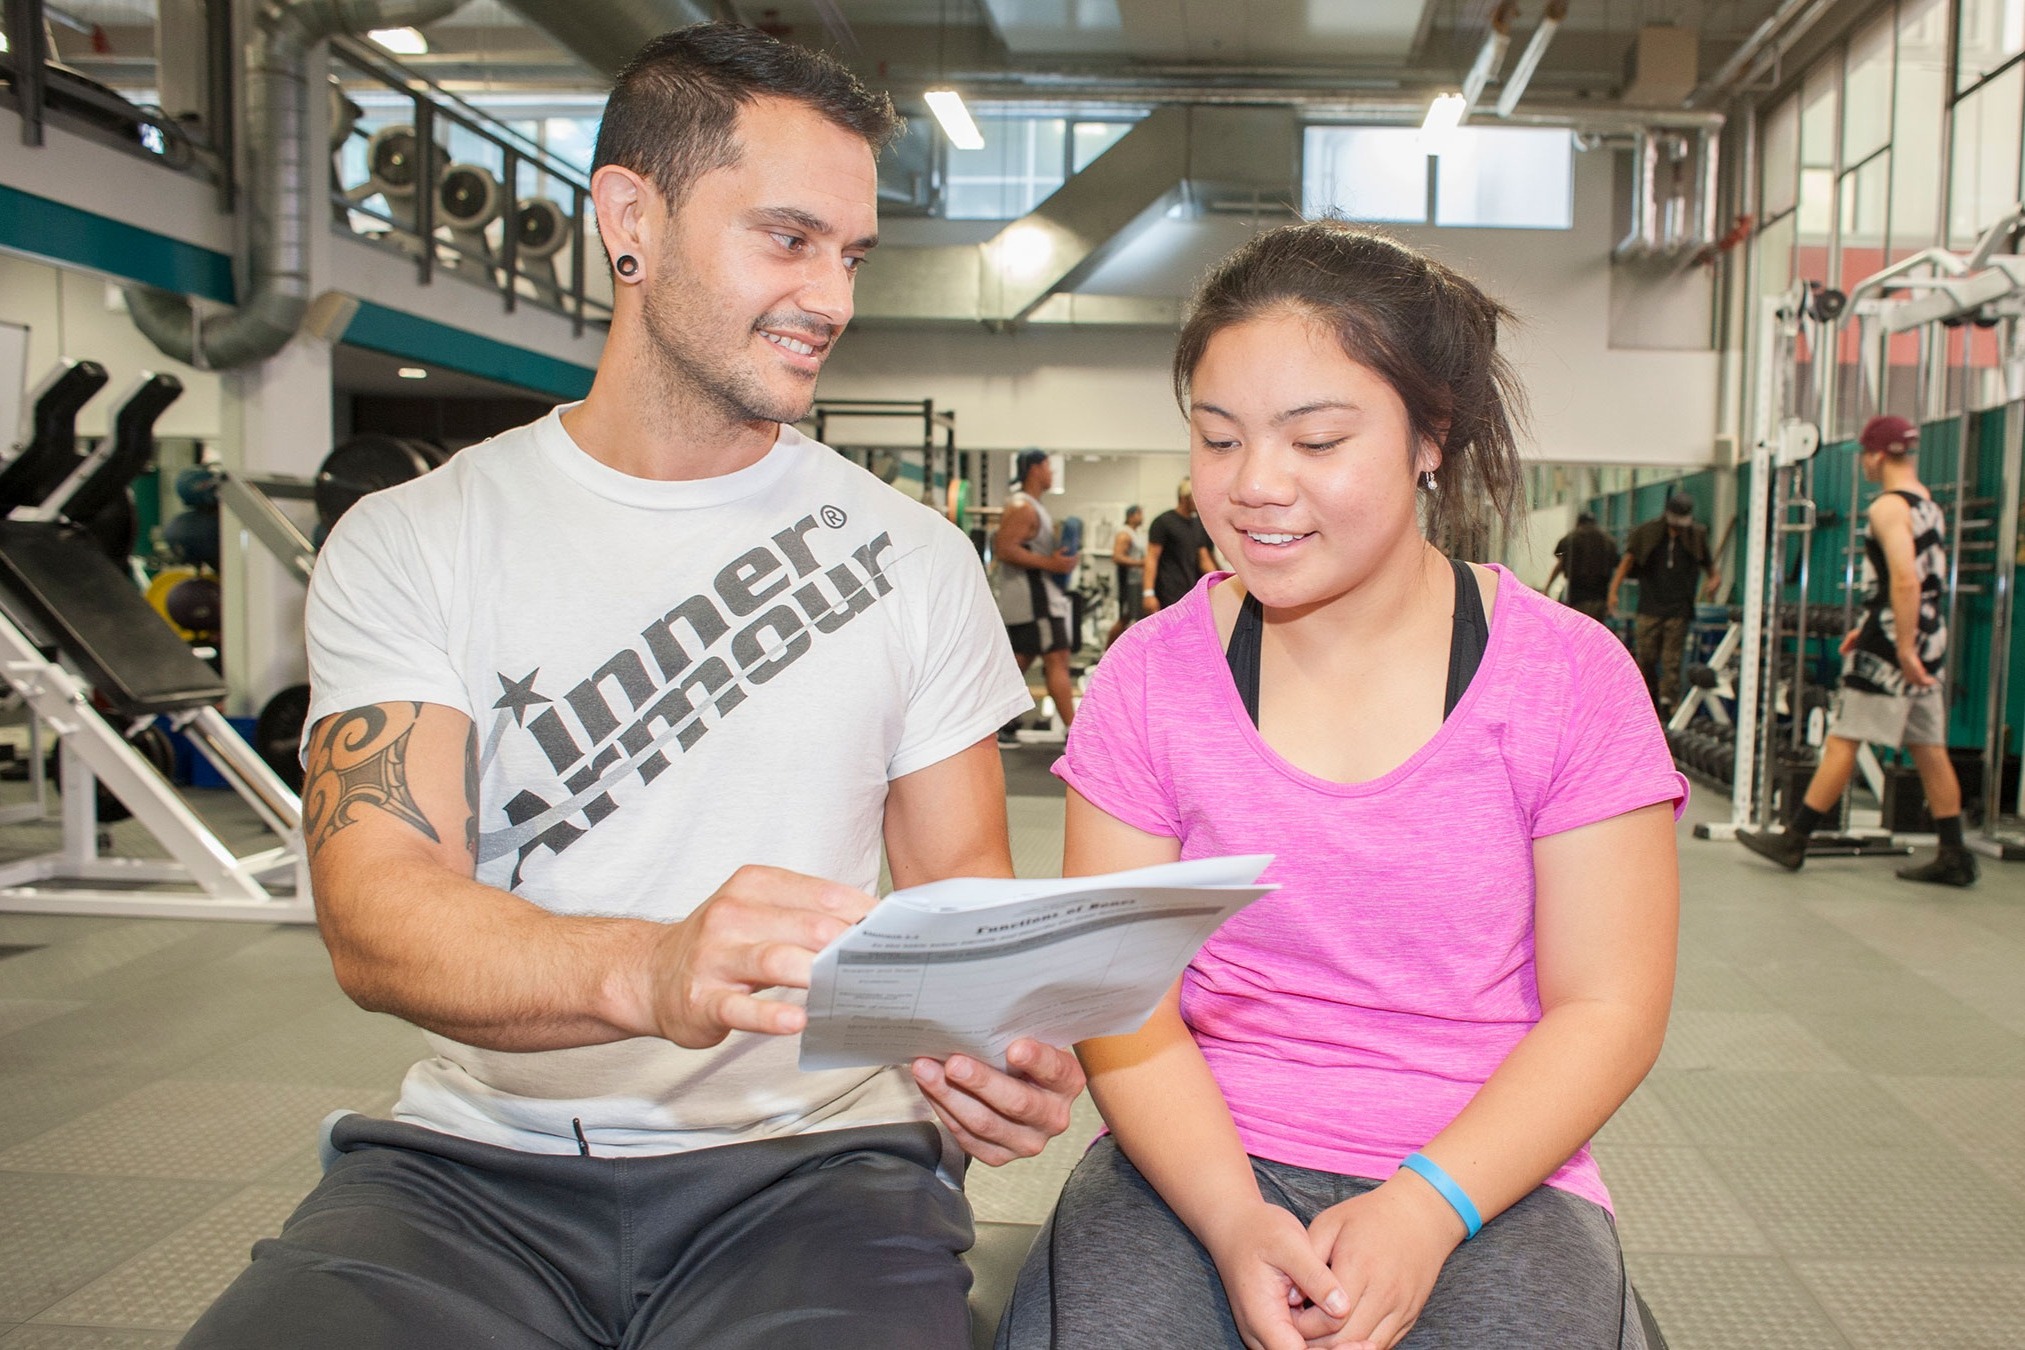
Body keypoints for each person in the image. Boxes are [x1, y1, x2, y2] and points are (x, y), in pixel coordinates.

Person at [183, 27, 1084, 1350]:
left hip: (810, 1164)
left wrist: (987, 1042)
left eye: (850, 254)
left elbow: (959, 895)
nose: (830, 296)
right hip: (470, 1166)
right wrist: (648, 967)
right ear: (630, 219)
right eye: (787, 238)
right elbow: (378, 911)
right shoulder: (418, 537)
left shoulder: (913, 559)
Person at [999, 222, 1684, 1350]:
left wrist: (1427, 1207)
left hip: (1485, 1163)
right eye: (1218, 441)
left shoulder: (1568, 677)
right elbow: (1124, 1007)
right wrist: (1231, 1221)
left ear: (1432, 436)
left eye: (1316, 440)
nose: (1256, 486)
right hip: (1198, 1152)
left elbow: (1607, 1007)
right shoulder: (1149, 680)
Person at [1739, 415, 1977, 886]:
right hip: (1928, 637)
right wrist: (1877, 630)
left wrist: (1900, 648)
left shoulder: (1887, 508)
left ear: (1876, 454)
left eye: (1864, 456)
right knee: (1929, 748)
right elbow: (1910, 585)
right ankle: (1955, 853)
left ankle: (1795, 839)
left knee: (1844, 738)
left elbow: (1906, 579)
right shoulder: (1927, 503)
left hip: (1894, 646)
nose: (1863, 465)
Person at [1608, 490, 1721, 719]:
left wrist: (1714, 582)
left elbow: (1712, 571)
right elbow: (1627, 562)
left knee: (1672, 662)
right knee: (1646, 658)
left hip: (1678, 609)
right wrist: (1613, 591)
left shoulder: (1695, 537)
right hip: (1650, 607)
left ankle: (1670, 709)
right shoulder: (1649, 533)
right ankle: (1646, 705)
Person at [994, 448, 1079, 738]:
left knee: (1022, 659)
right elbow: (1004, 549)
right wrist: (1051, 563)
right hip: (1034, 600)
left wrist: (1058, 560)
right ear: (1033, 469)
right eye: (1047, 466)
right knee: (1057, 657)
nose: (1051, 472)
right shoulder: (1023, 507)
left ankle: (993, 722)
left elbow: (1025, 548)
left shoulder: (1032, 507)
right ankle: (1077, 733)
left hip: (1035, 598)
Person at [1144, 477, 1215, 613]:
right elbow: (1151, 558)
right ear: (1184, 498)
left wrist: (1220, 584)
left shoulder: (1197, 524)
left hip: (1190, 591)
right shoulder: (1163, 522)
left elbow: (1204, 559)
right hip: (1167, 591)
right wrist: (1148, 593)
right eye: (1195, 497)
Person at [1547, 511, 1617, 621]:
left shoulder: (1571, 538)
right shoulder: (1608, 540)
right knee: (1594, 632)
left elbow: (1560, 565)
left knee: (1576, 631)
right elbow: (1616, 565)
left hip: (1577, 596)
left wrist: (1547, 587)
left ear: (1578, 523)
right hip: (1600, 597)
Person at [1104, 504, 1146, 646]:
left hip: (1137, 581)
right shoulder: (1124, 534)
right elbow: (1117, 557)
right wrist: (1141, 563)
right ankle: (1106, 653)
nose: (1142, 517)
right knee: (1125, 618)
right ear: (1131, 516)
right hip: (1128, 582)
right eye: (1140, 514)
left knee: (1134, 617)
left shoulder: (1136, 533)